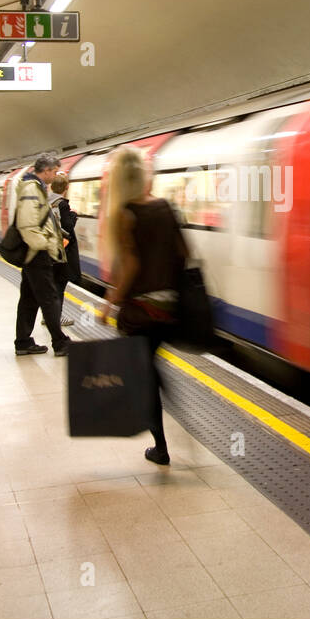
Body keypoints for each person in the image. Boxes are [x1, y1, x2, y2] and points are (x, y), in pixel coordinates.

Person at [98, 146, 187, 466]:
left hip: (142, 313)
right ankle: (174, 402)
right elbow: (183, 253)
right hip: (169, 308)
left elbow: (132, 265)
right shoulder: (165, 207)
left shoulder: (126, 214)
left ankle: (161, 448)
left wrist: (111, 301)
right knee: (150, 365)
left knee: (144, 377)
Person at [14, 153, 73, 357]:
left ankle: (23, 341)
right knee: (49, 298)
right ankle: (60, 342)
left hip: (33, 254)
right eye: (55, 171)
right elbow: (28, 223)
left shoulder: (35, 187)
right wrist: (45, 246)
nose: (55, 175)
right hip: (37, 253)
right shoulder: (32, 188)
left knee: (29, 299)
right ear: (46, 170)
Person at [50, 174, 79, 326]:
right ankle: (57, 318)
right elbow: (66, 228)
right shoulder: (62, 204)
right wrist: (73, 216)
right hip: (62, 251)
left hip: (50, 250)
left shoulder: (48, 201)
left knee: (53, 285)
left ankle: (49, 316)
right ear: (66, 188)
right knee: (59, 286)